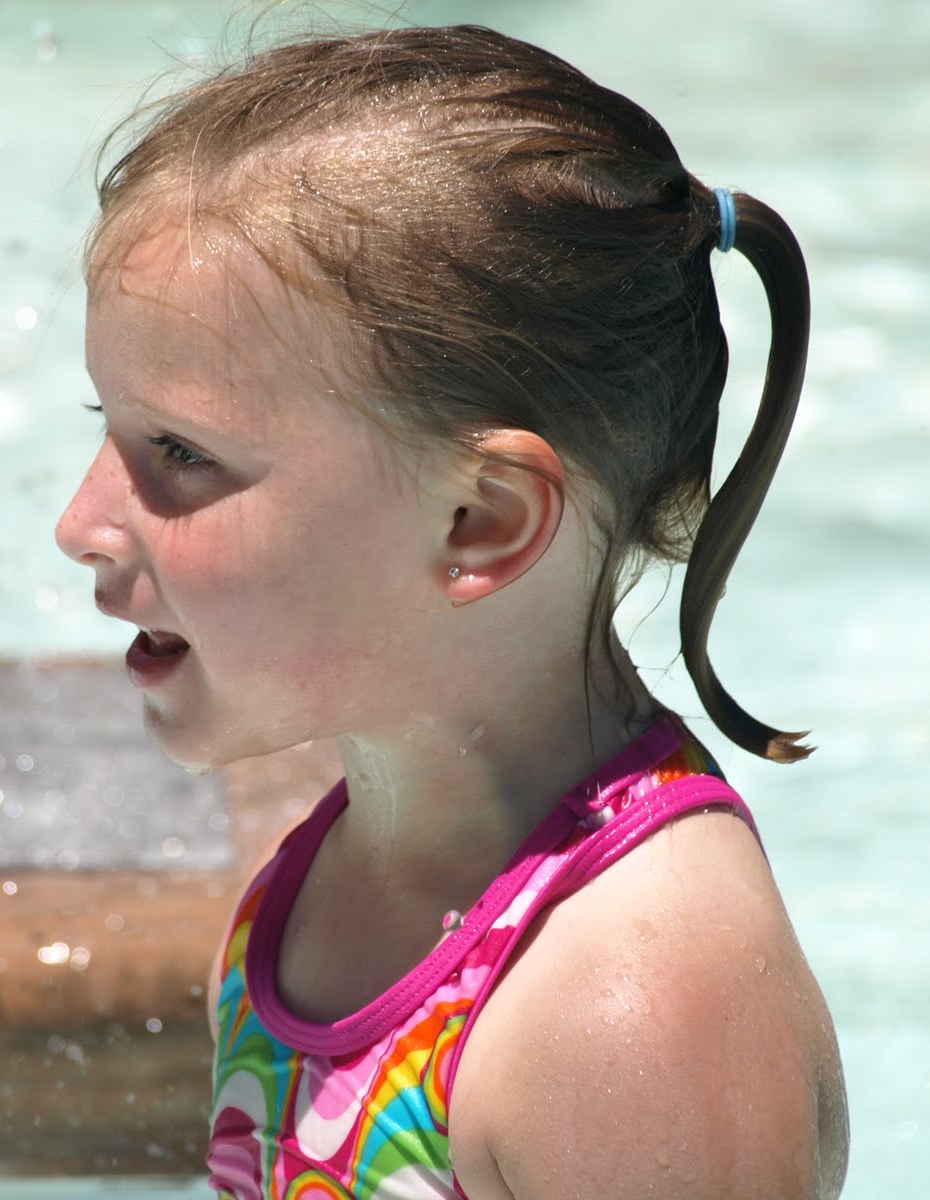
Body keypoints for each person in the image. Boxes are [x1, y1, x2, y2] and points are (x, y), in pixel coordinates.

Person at [55, 23, 848, 1199]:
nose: (81, 521)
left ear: (477, 522)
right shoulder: (357, 845)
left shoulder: (630, 999)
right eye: (107, 431)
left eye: (178, 450)